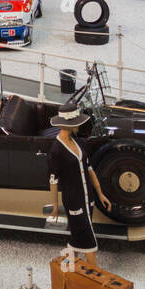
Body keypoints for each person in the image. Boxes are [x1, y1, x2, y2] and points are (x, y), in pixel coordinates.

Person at [46, 106, 112, 268]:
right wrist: (55, 206)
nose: (79, 125)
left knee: (78, 236)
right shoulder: (57, 150)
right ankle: (97, 278)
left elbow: (89, 169)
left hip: (87, 197)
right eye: (76, 122)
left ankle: (67, 268)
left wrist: (100, 193)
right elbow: (53, 181)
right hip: (74, 201)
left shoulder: (78, 142)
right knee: (88, 240)